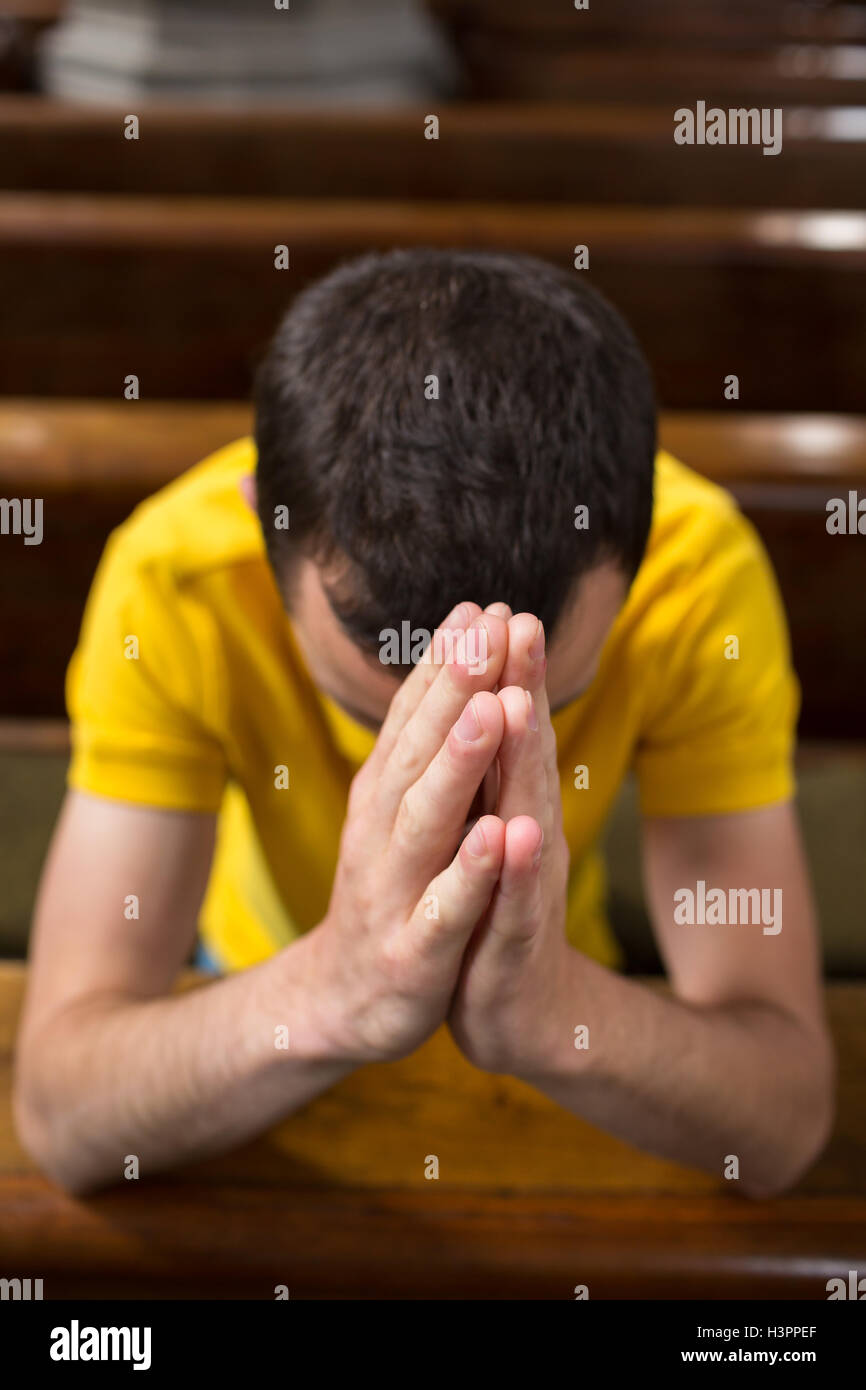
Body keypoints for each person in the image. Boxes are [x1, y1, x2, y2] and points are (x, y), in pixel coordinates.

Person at [14, 249, 834, 1197]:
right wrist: (334, 989)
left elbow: (785, 1118)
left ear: (647, 547)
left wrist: (556, 1010)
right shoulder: (174, 574)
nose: (449, 829)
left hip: (568, 972)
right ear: (259, 527)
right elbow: (62, 1114)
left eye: (542, 711)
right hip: (249, 973)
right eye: (368, 719)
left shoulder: (699, 572)